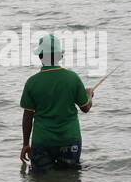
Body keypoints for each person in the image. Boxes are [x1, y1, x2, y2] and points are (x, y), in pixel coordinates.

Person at [19, 34, 94, 173]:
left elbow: (27, 117)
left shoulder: (32, 82)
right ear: (60, 56)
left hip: (42, 141)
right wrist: (89, 95)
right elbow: (85, 108)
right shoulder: (72, 78)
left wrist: (25, 144)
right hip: (69, 139)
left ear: (40, 56)